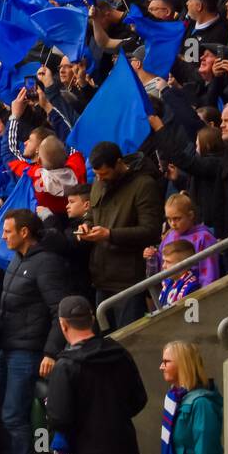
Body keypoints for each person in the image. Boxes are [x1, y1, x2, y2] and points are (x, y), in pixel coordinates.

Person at [0, 209, 71, 454]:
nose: (3, 237)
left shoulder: (46, 263)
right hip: (7, 348)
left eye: (7, 231)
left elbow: (58, 310)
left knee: (13, 416)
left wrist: (50, 352)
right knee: (2, 413)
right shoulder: (17, 259)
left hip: (27, 353)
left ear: (24, 232)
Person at [45, 296, 147, 454]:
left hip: (86, 450)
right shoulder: (120, 353)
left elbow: (59, 419)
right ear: (92, 320)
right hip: (124, 448)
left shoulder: (65, 367)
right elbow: (139, 400)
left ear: (63, 325)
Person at [78, 141, 163, 329]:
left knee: (128, 338)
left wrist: (110, 235)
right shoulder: (98, 183)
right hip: (101, 276)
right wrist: (86, 225)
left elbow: (151, 230)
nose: (100, 179)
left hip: (128, 279)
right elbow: (92, 213)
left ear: (118, 163)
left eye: (105, 174)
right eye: (97, 175)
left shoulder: (143, 185)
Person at [159, 340, 224, 454]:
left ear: (183, 364)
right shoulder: (175, 398)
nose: (161, 367)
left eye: (166, 362)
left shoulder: (202, 404)